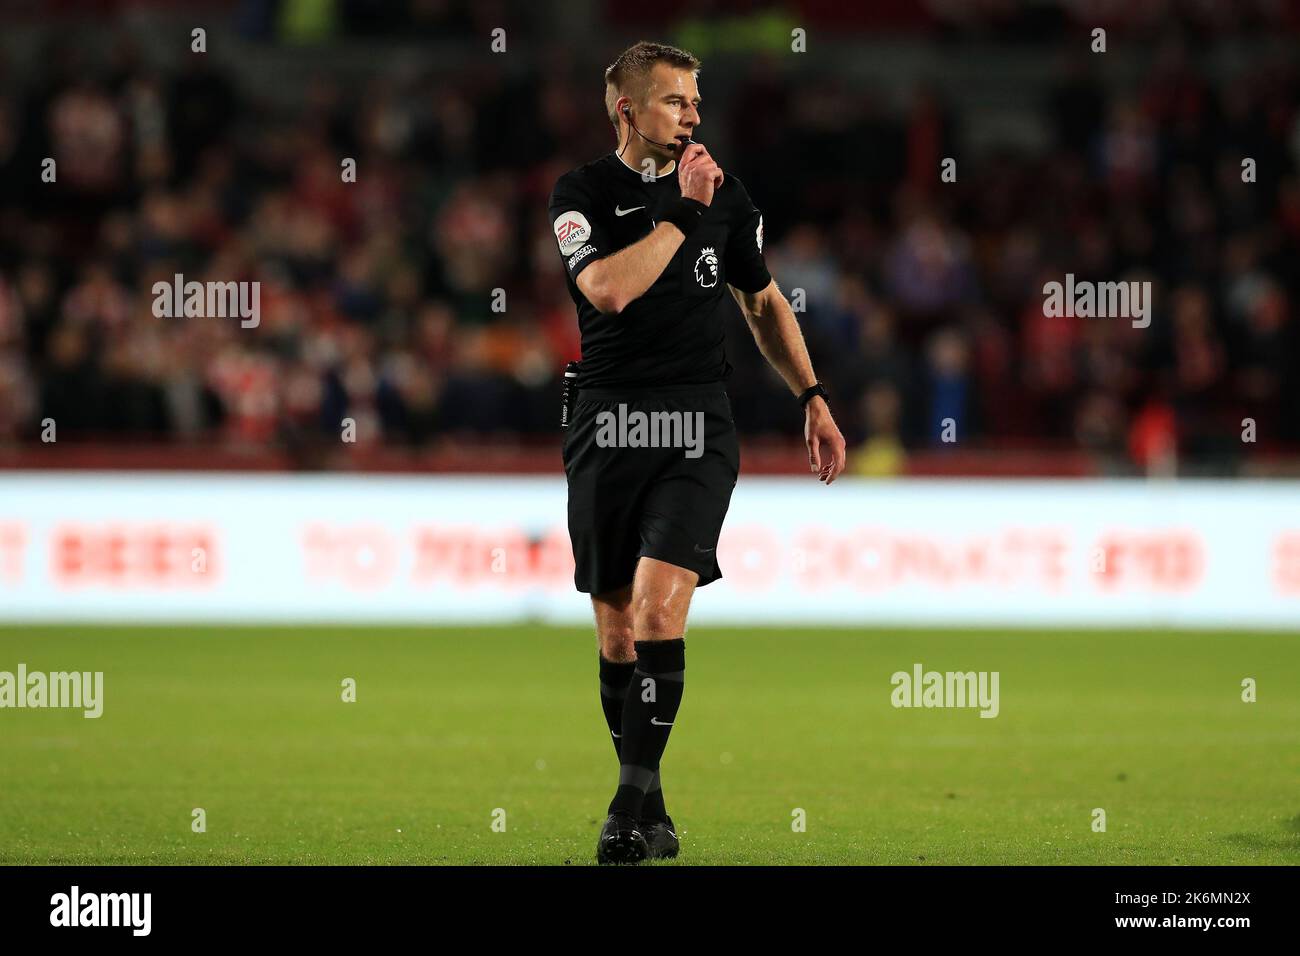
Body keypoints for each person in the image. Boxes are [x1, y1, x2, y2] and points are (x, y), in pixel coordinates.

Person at [547, 40, 846, 864]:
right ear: (628, 110)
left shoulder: (726, 194)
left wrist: (812, 396)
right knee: (615, 636)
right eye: (677, 101)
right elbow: (607, 290)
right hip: (606, 423)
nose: (693, 116)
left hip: (693, 425)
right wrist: (680, 212)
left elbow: (761, 302)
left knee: (656, 611)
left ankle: (621, 810)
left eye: (695, 101)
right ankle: (655, 806)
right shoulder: (581, 194)